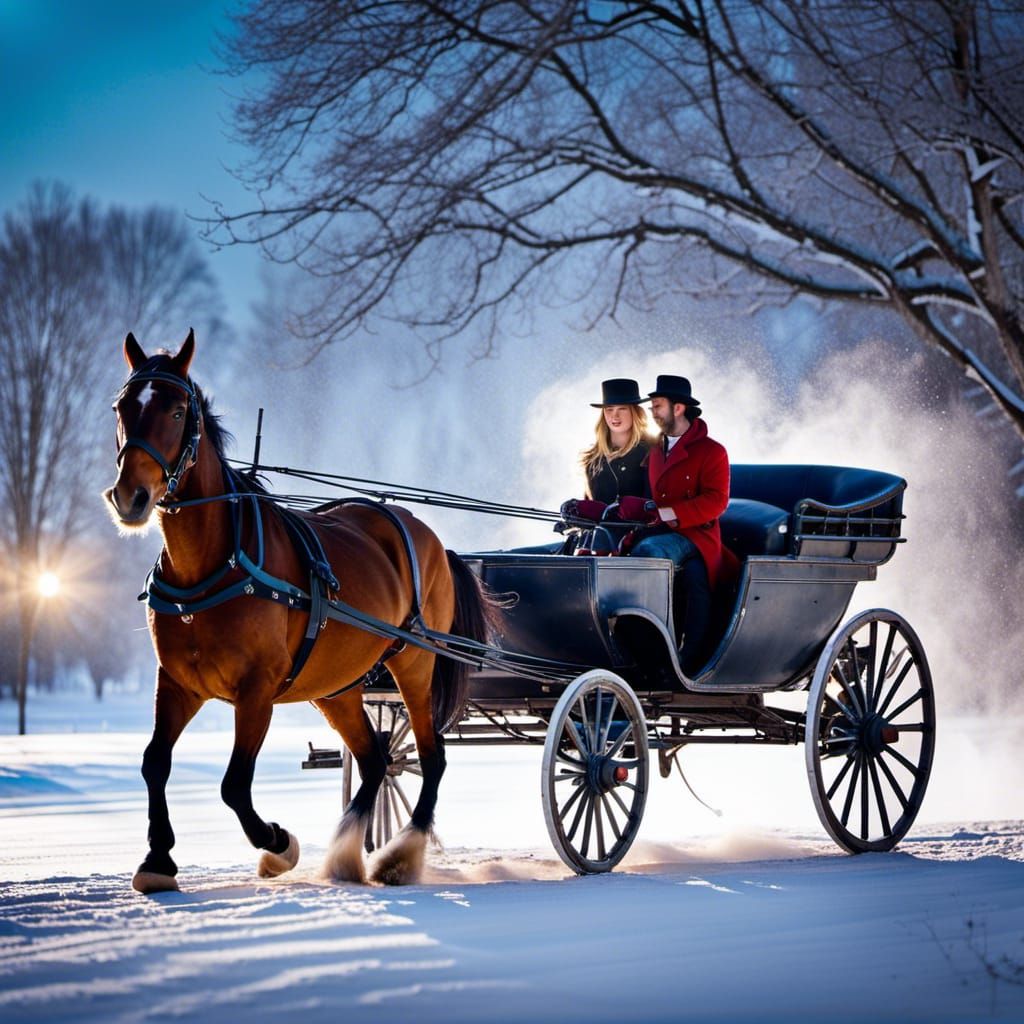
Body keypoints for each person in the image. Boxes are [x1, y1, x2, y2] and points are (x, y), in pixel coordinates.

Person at [619, 374, 730, 674]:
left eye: (657, 406)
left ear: (678, 408)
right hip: (662, 531)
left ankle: (667, 652)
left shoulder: (712, 451)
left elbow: (716, 502)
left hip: (697, 537)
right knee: (623, 554)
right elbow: (650, 499)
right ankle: (631, 646)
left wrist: (667, 512)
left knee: (651, 552)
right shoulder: (655, 451)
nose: (652, 412)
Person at [560, 379, 652, 550]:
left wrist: (607, 511)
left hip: (636, 541)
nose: (614, 416)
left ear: (635, 413)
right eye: (609, 409)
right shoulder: (592, 459)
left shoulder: (652, 452)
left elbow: (653, 507)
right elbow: (590, 504)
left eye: (622, 409)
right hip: (595, 541)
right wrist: (575, 513)